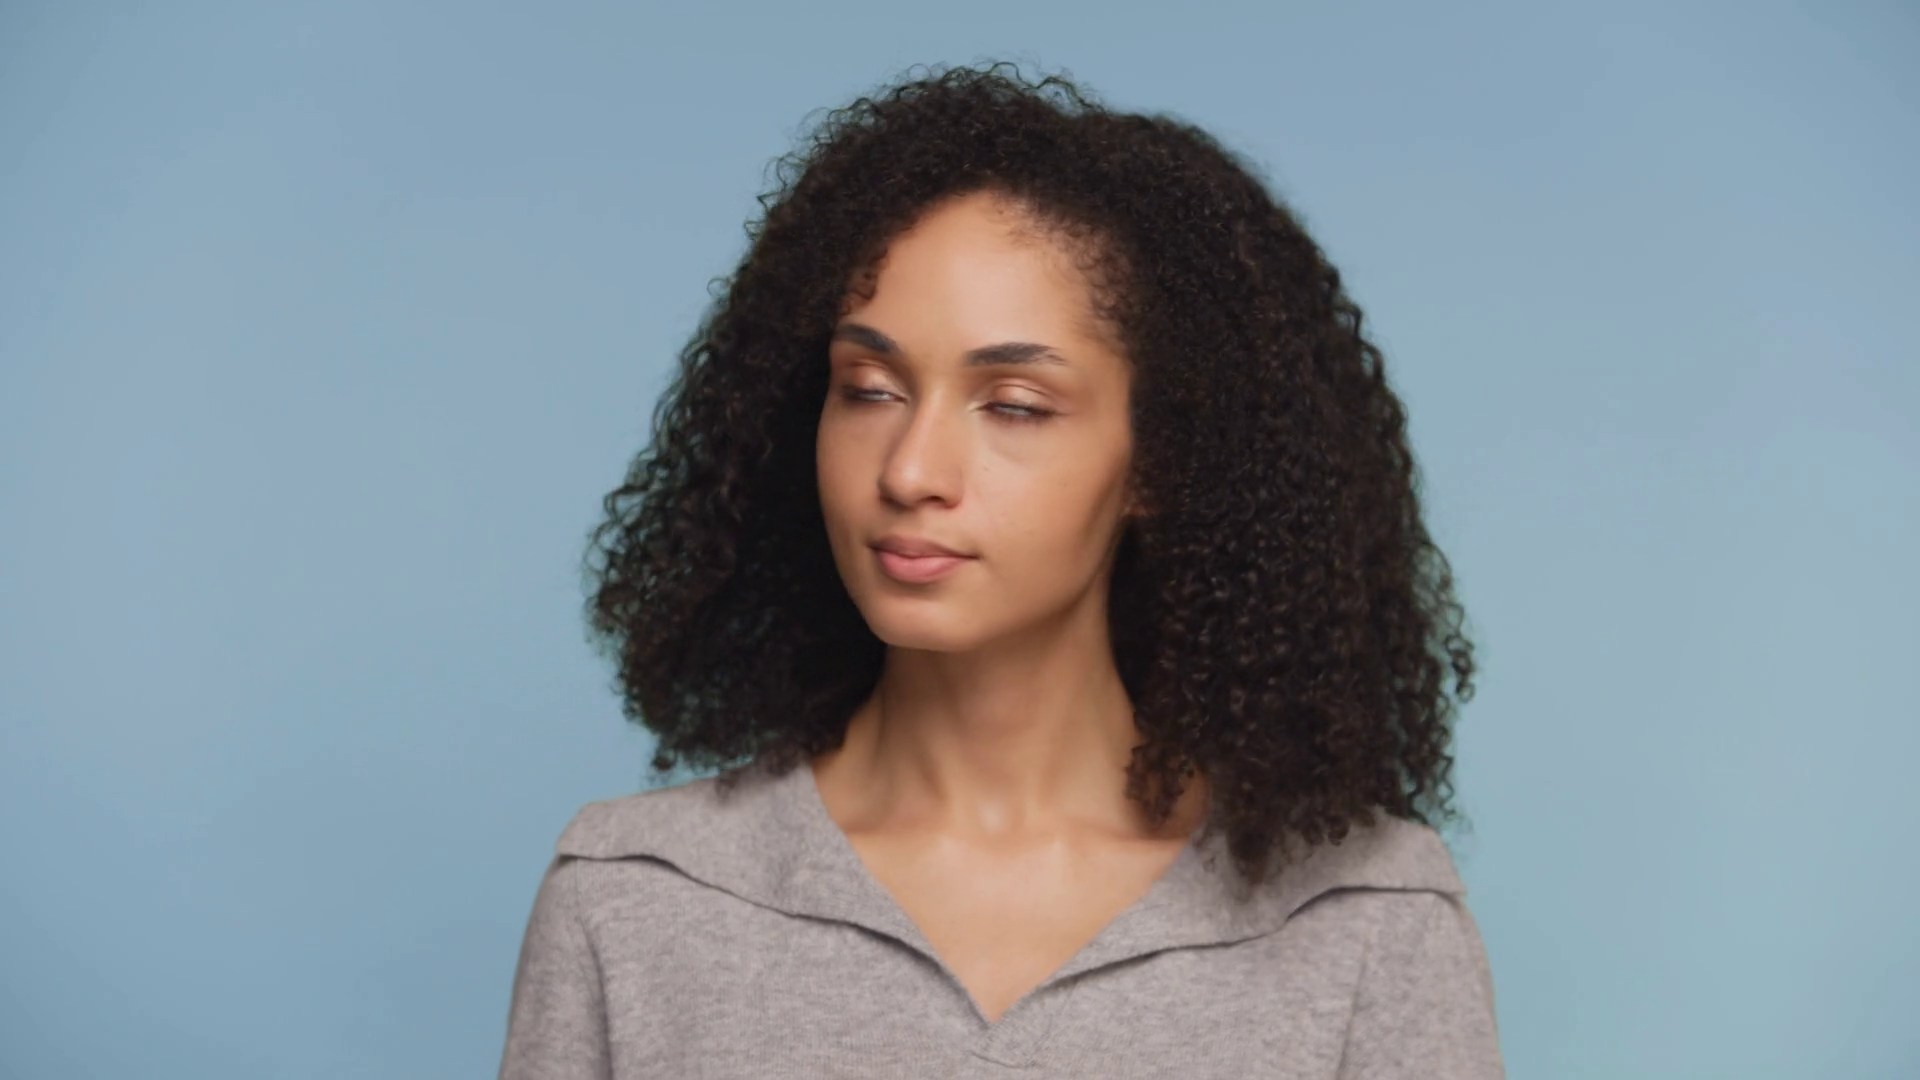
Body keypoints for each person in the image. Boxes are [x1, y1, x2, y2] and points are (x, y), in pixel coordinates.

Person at [497, 62, 1502, 1079]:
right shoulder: (635, 899)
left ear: (1159, 460)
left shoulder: (1367, 921)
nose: (911, 470)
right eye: (869, 388)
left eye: (1014, 405)